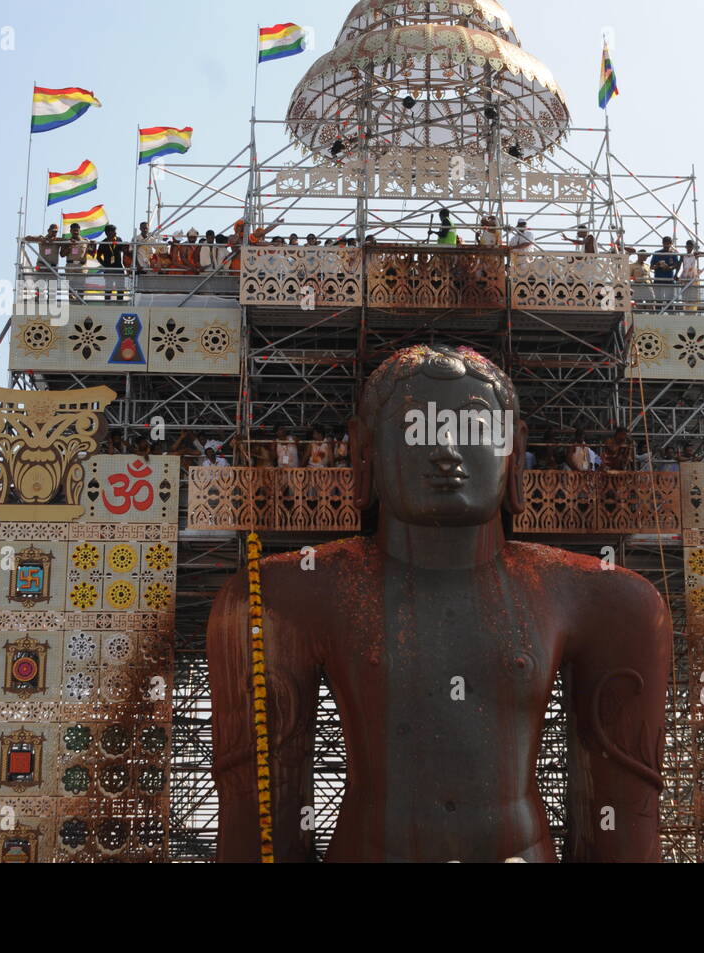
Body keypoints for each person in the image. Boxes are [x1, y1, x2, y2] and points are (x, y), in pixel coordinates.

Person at [207, 345, 671, 862]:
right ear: (364, 449)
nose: (447, 448)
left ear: (514, 449)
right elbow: (261, 825)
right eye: (417, 427)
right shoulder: (281, 596)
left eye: (473, 428)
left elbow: (623, 829)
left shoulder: (606, 598)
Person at [649, 237, 679, 306]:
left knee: (670, 301)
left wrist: (668, 267)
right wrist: (658, 265)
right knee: (658, 300)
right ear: (662, 243)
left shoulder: (673, 254)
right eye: (665, 243)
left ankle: (671, 315)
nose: (666, 245)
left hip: (669, 280)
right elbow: (651, 267)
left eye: (668, 243)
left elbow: (676, 265)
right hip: (658, 279)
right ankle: (658, 314)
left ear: (671, 244)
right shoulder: (657, 253)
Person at [62, 224, 90, 299]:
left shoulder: (85, 241)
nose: (75, 232)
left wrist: (93, 245)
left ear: (79, 231)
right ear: (70, 231)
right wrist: (70, 245)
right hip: (71, 265)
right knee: (71, 287)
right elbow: (62, 254)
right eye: (74, 230)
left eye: (77, 230)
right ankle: (72, 304)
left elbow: (91, 252)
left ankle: (80, 302)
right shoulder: (67, 241)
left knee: (81, 286)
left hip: (81, 266)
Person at [679, 240, 701, 309]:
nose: (689, 248)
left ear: (693, 247)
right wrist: (676, 274)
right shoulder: (683, 256)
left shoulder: (694, 255)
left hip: (692, 276)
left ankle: (693, 311)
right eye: (688, 246)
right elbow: (679, 265)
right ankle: (686, 310)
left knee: (693, 296)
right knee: (685, 295)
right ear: (686, 247)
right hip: (685, 276)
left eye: (691, 246)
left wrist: (698, 252)